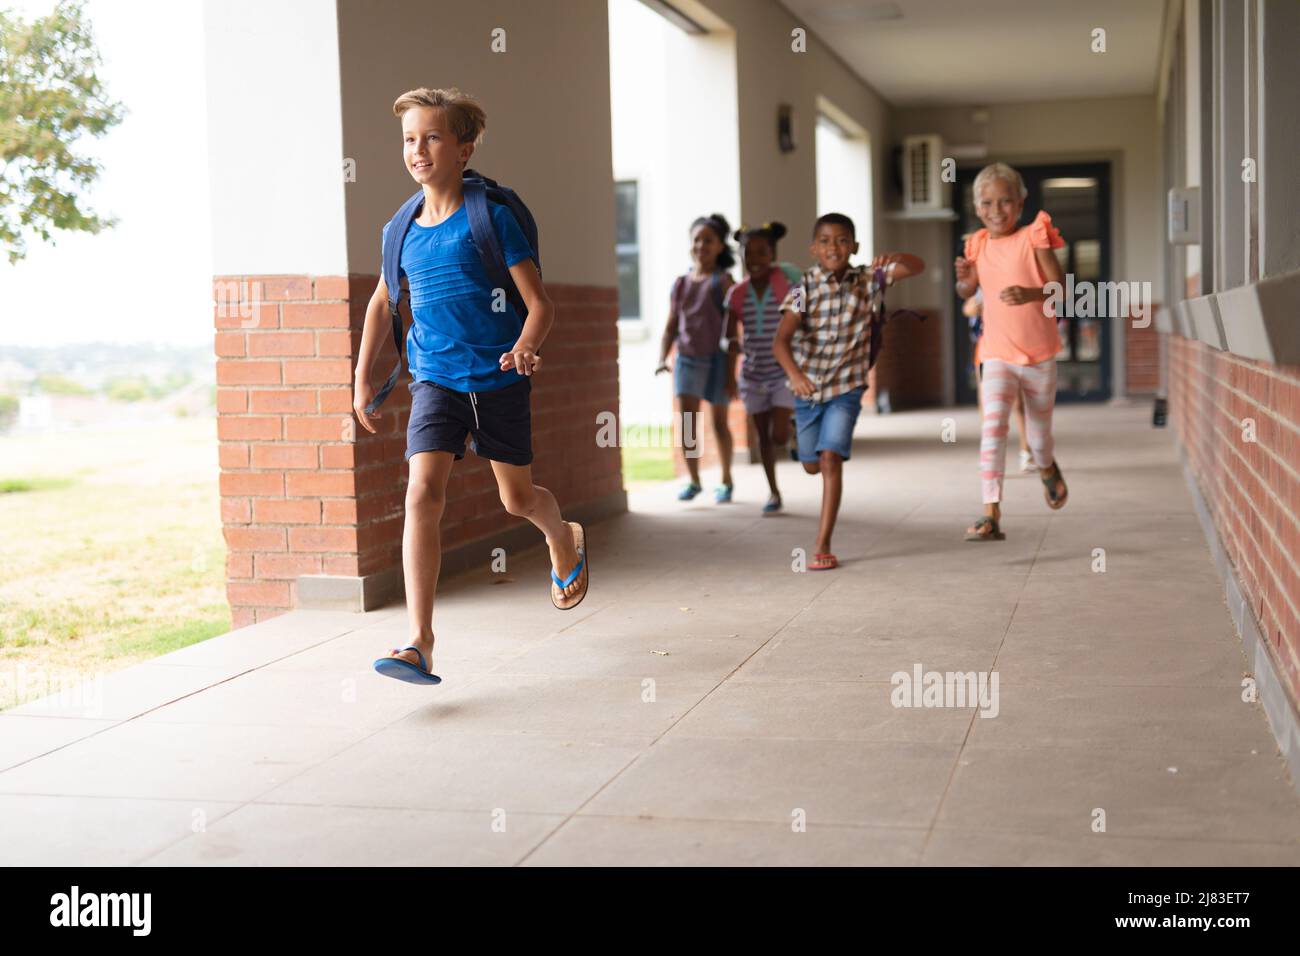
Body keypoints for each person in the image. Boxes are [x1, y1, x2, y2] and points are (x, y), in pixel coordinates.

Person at [353, 87, 588, 685]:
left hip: (499, 377)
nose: (419, 149)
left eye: (432, 137)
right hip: (434, 379)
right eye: (409, 138)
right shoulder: (399, 230)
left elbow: (540, 305)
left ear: (464, 148)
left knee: (516, 500)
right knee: (421, 494)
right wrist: (361, 378)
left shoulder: (490, 217)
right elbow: (383, 304)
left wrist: (526, 345)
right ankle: (419, 640)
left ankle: (563, 537)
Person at [774, 213, 925, 570]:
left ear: (854, 247)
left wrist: (895, 256)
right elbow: (780, 341)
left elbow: (917, 265)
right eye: (825, 241)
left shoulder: (870, 280)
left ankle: (823, 542)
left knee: (830, 459)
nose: (833, 248)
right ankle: (803, 440)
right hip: (808, 388)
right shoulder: (803, 289)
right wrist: (794, 376)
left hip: (847, 388)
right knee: (811, 465)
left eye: (842, 240)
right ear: (813, 249)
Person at [954, 162, 1069, 542]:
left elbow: (1061, 290)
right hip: (996, 353)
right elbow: (967, 292)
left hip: (1039, 355)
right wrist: (965, 283)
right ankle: (991, 514)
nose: (996, 210)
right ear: (977, 207)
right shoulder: (977, 244)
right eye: (987, 202)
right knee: (993, 428)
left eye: (1005, 201)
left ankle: (1047, 466)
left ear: (1020, 204)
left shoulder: (1033, 236)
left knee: (1037, 438)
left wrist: (1030, 294)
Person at [655, 214, 736, 503]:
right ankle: (693, 480)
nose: (702, 245)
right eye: (697, 239)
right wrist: (662, 357)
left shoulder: (724, 282)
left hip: (717, 360)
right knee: (688, 424)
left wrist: (731, 373)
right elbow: (671, 325)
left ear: (719, 247)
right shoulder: (680, 284)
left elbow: (734, 328)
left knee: (718, 423)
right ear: (691, 245)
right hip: (687, 360)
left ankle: (726, 479)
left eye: (708, 240)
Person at [724, 222, 802, 514]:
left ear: (773, 254)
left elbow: (805, 312)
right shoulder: (736, 293)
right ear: (740, 255)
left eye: (762, 252)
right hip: (753, 374)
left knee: (778, 435)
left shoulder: (786, 282)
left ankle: (792, 428)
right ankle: (773, 492)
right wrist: (729, 370)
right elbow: (729, 335)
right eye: (748, 253)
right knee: (763, 437)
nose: (754, 259)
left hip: (783, 372)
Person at [965, 289, 1033, 473]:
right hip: (986, 347)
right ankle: (990, 454)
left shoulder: (1009, 279)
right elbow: (968, 307)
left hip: (1011, 344)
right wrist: (975, 308)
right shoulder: (982, 282)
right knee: (986, 405)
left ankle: (1026, 451)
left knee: (1018, 403)